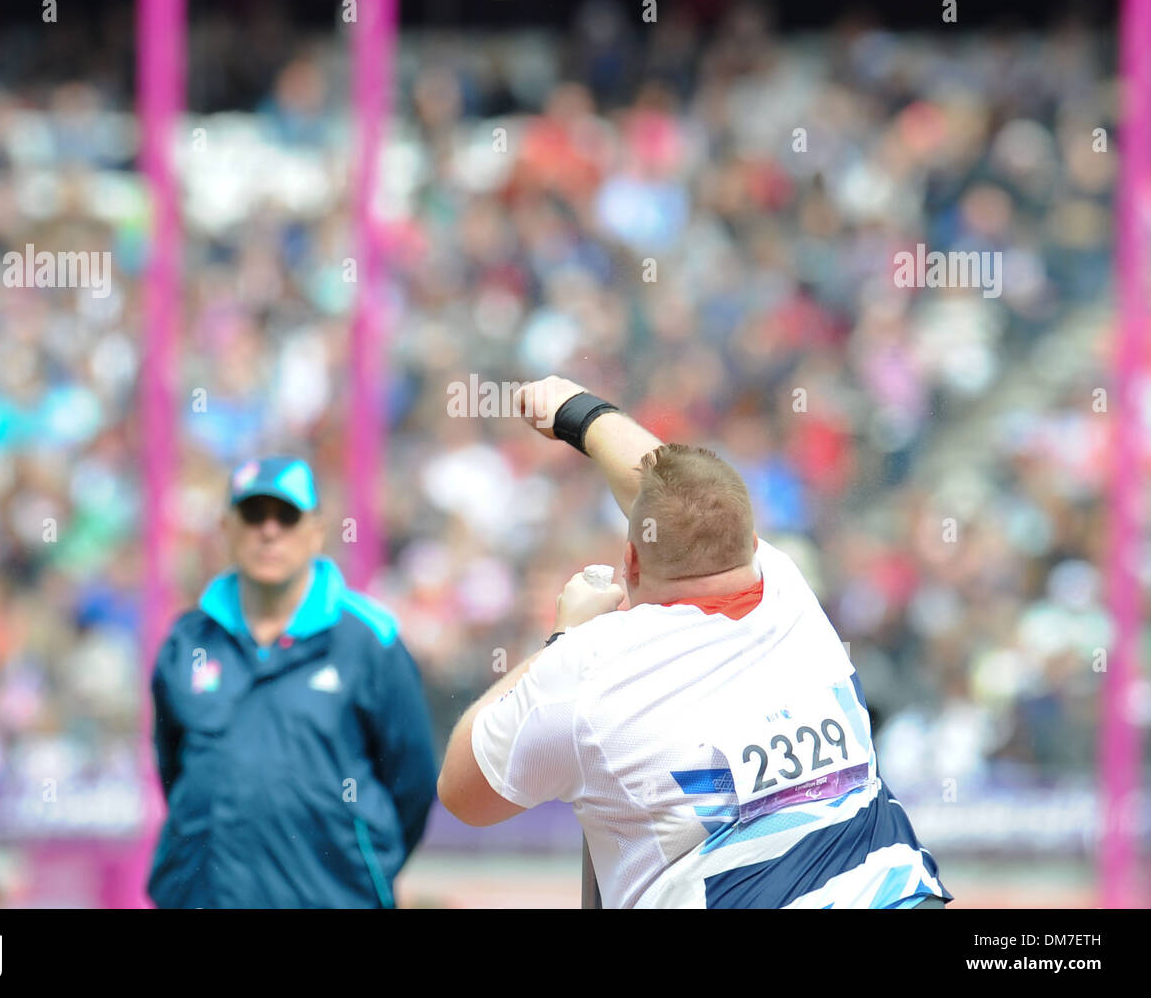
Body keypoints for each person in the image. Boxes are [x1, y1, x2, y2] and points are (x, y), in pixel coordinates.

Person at [438, 376, 953, 910]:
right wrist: (578, 411)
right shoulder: (785, 586)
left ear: (632, 561)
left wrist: (563, 640)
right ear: (747, 540)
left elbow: (465, 793)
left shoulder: (590, 664)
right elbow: (679, 495)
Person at [148, 455, 438, 908]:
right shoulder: (187, 642)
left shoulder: (368, 641)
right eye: (253, 514)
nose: (269, 530)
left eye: (286, 516)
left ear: (316, 531)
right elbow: (175, 768)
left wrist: (362, 865)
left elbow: (413, 782)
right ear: (227, 528)